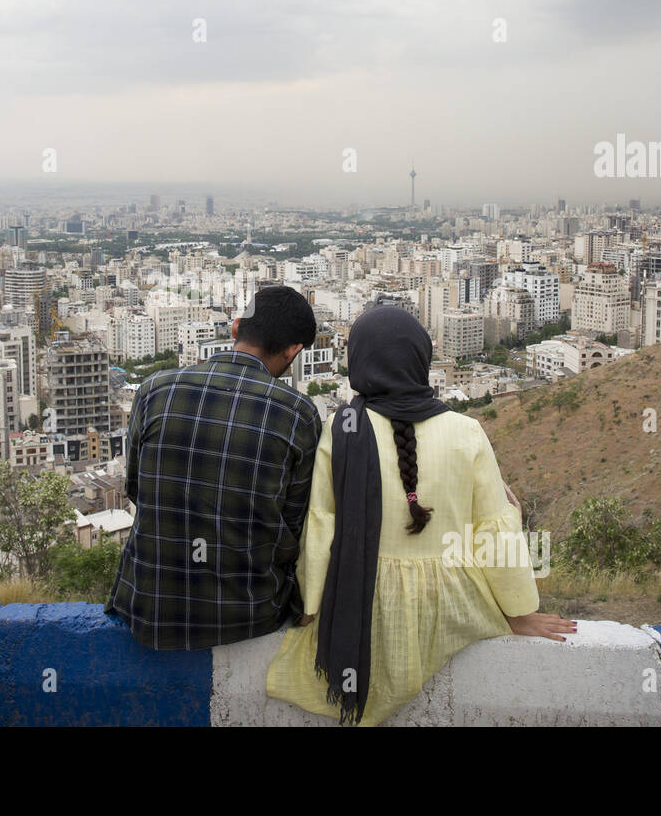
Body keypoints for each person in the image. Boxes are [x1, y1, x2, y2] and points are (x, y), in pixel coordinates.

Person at [265, 304, 575, 725]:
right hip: (453, 604)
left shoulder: (342, 429)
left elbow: (322, 525)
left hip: (363, 601)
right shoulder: (466, 431)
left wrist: (314, 605)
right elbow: (494, 529)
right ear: (420, 359)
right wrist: (519, 611)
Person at [105, 285, 323, 650]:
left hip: (148, 607)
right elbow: (293, 528)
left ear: (235, 327)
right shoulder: (296, 414)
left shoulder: (154, 391)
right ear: (293, 351)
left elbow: (137, 491)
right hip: (249, 615)